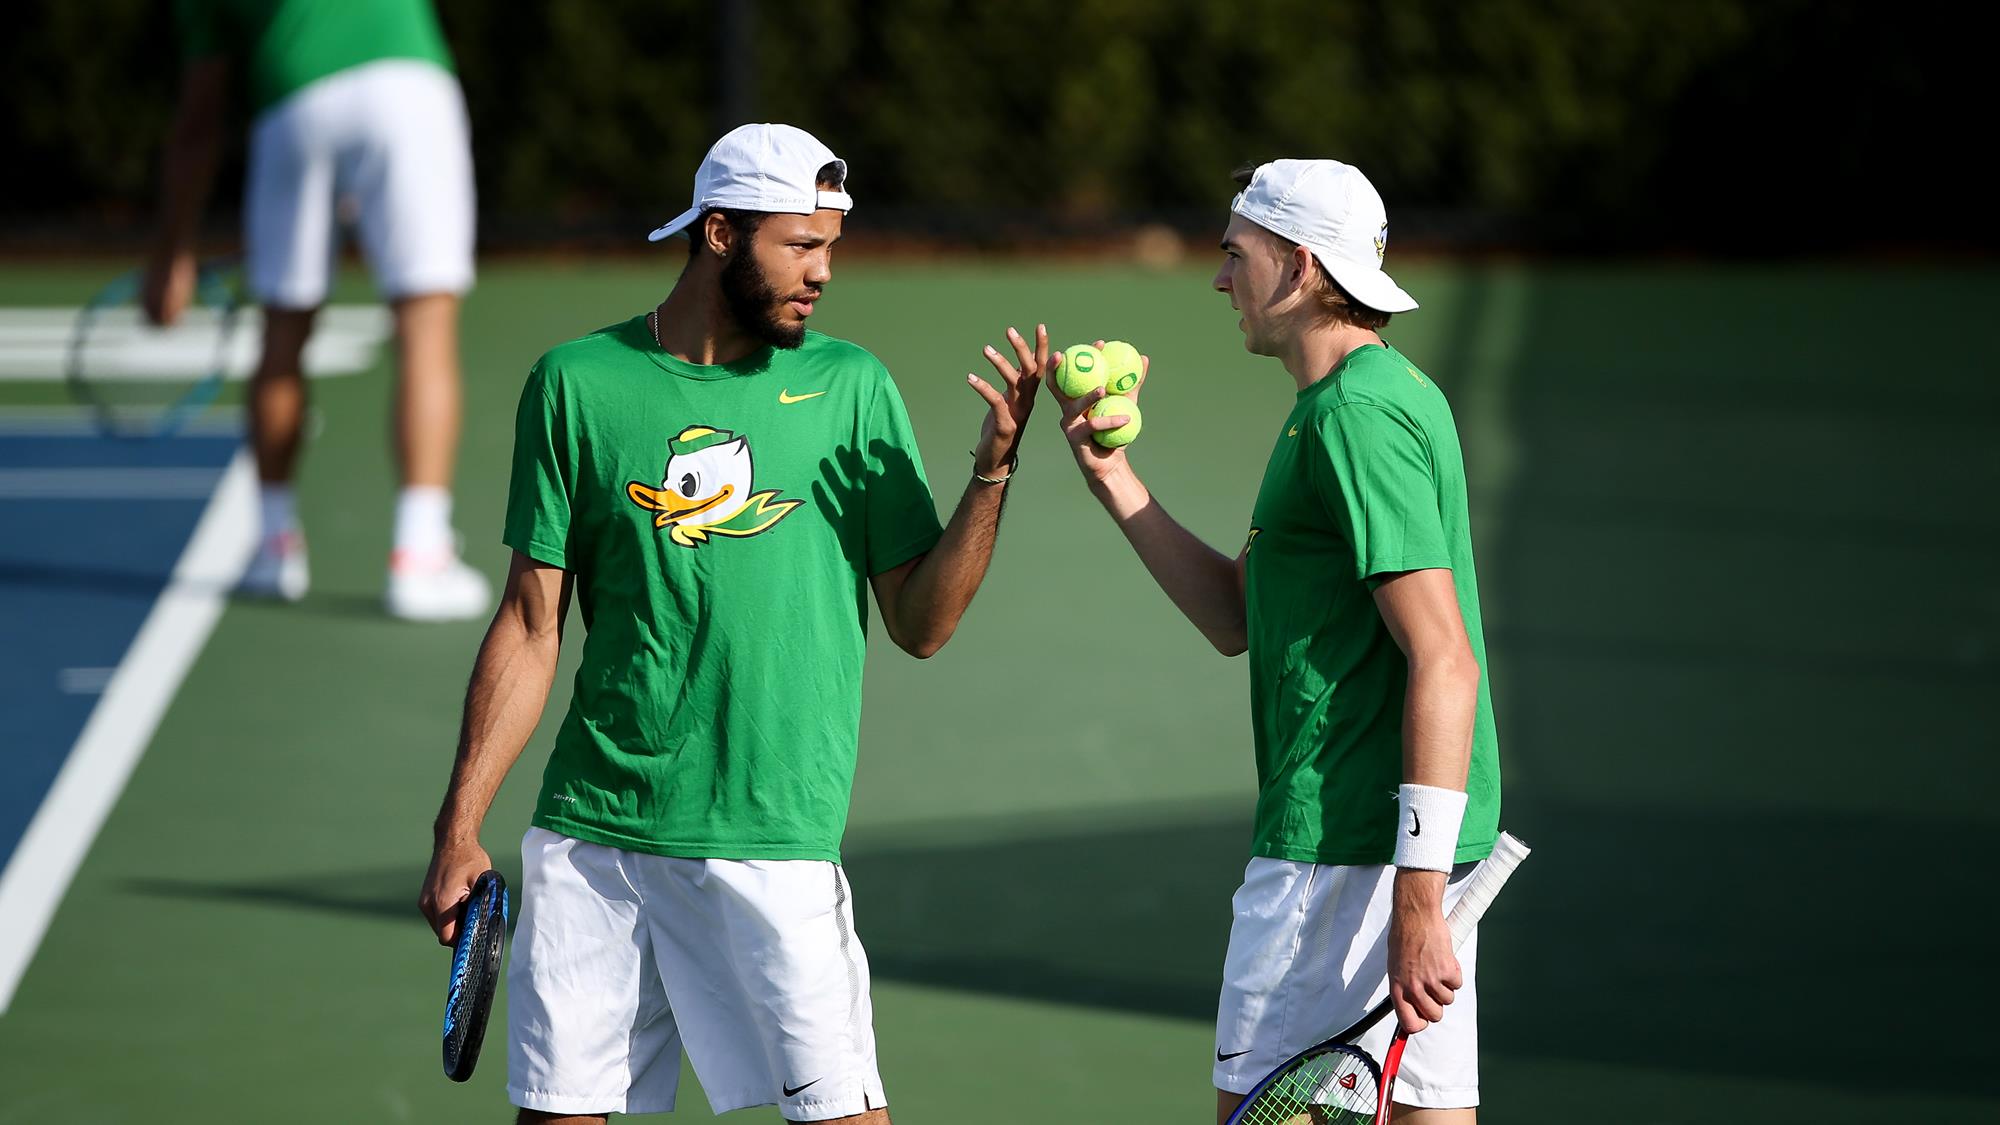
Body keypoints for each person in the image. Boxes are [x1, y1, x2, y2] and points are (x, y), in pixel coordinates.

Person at [416, 123, 1043, 1124]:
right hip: (594, 841)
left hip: (770, 839)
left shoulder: (852, 389)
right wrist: (459, 825)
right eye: (800, 245)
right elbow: (532, 624)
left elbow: (921, 624)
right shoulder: (575, 384)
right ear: (718, 234)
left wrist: (992, 471)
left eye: (829, 247)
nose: (823, 272)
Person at [1045, 159, 1503, 1123]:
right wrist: (1111, 477)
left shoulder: (1356, 419)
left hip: (1340, 858)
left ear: (1298, 267)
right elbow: (1236, 616)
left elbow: (1444, 657)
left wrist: (1414, 902)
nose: (1219, 280)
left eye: (1235, 255)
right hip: (1388, 858)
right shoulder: (1359, 404)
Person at [144, 0, 490, 620]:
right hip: (407, 94)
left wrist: (173, 253)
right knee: (425, 329)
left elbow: (198, 121)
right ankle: (419, 555)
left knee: (282, 329)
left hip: (294, 107)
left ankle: (272, 549)